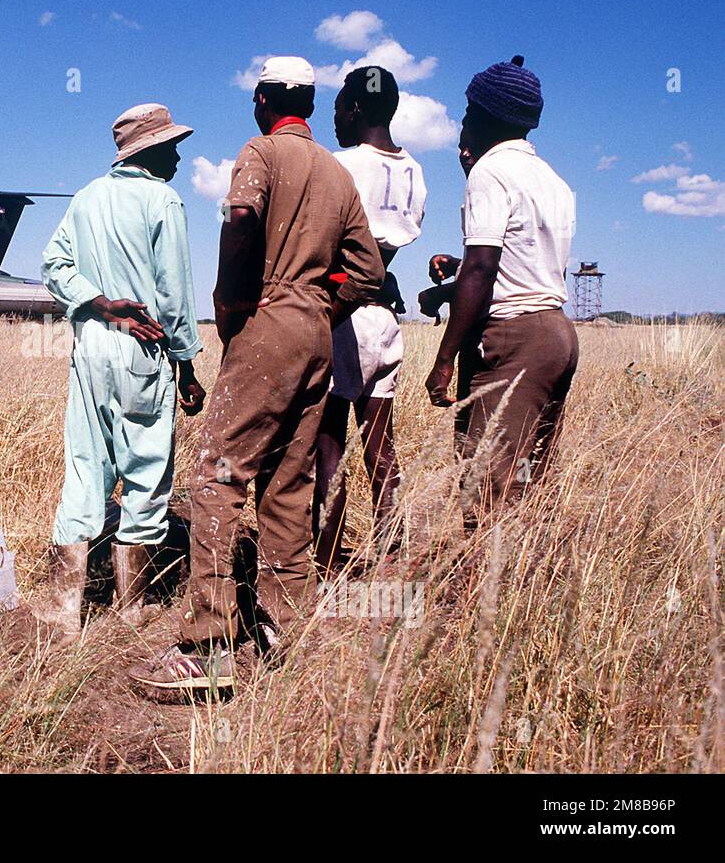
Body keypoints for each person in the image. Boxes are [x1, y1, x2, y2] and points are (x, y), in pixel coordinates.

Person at [131, 57, 385, 691]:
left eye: (257, 98)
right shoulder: (336, 171)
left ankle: (208, 646)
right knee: (289, 481)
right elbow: (369, 271)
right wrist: (323, 301)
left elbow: (240, 218)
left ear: (266, 99)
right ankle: (284, 625)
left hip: (266, 319)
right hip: (317, 332)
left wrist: (230, 299)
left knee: (218, 476)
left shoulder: (261, 152)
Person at [37, 102, 207, 646]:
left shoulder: (85, 197)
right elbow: (175, 290)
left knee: (86, 463)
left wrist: (100, 303)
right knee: (147, 465)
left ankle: (67, 606)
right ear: (151, 150)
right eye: (172, 146)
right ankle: (130, 607)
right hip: (145, 346)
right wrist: (186, 364)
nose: (178, 155)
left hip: (91, 344)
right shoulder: (163, 198)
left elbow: (53, 265)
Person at [424, 56, 578, 516]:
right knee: (528, 477)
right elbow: (522, 265)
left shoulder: (489, 173)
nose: (464, 121)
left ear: (488, 116)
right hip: (557, 333)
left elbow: (482, 270)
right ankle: (522, 580)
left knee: (486, 484)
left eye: (469, 111)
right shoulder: (554, 180)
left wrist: (445, 358)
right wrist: (454, 276)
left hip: (514, 338)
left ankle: (481, 585)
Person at [313, 65, 426, 567]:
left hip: (345, 312)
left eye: (338, 105)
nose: (333, 115)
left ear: (355, 109)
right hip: (385, 315)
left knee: (329, 438)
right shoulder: (414, 171)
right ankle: (392, 546)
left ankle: (329, 553)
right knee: (381, 441)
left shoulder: (341, 165)